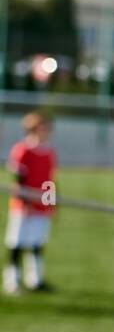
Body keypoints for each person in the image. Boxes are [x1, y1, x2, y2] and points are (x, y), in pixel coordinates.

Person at [4, 111, 58, 295]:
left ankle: (35, 279)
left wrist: (49, 203)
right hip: (24, 205)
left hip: (41, 205)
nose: (47, 131)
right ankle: (12, 280)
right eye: (43, 127)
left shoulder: (49, 152)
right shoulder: (23, 150)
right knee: (17, 242)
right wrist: (24, 202)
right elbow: (19, 178)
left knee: (37, 242)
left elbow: (49, 180)